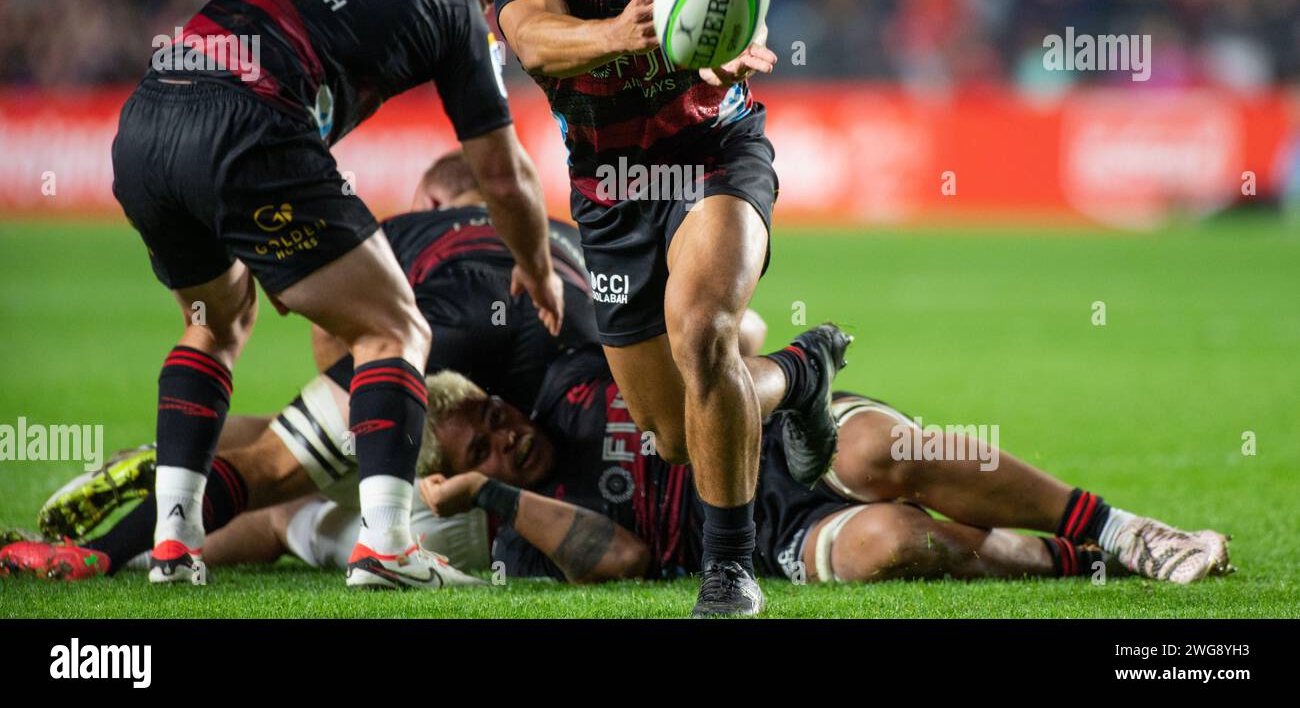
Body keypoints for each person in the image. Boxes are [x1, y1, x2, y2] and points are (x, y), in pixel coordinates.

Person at [108, 0, 561, 589]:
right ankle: (387, 549)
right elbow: (502, 176)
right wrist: (536, 265)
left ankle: (173, 542)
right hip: (250, 123)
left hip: (143, 126)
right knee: (395, 330)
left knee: (215, 322)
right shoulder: (452, 5)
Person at [491, 0, 847, 617]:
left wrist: (732, 48)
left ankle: (728, 574)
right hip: (609, 193)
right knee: (673, 435)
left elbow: (742, 15)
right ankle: (798, 374)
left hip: (712, 159)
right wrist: (620, 33)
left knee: (704, 331)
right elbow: (533, 40)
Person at [8, 152, 593, 585]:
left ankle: (112, 545)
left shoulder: (399, 234)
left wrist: (351, 414)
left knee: (280, 467)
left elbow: (326, 325)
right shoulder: (558, 231)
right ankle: (168, 475)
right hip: (578, 362)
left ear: (434, 203)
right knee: (304, 466)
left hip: (455, 338)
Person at [417, 345, 1234, 588]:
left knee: (883, 453)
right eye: (481, 456)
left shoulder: (571, 377)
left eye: (495, 420)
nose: (505, 441)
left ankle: (1126, 531)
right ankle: (1076, 563)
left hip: (776, 436)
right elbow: (625, 558)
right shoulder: (524, 542)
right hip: (762, 531)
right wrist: (493, 494)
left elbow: (714, 347)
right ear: (466, 486)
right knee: (888, 542)